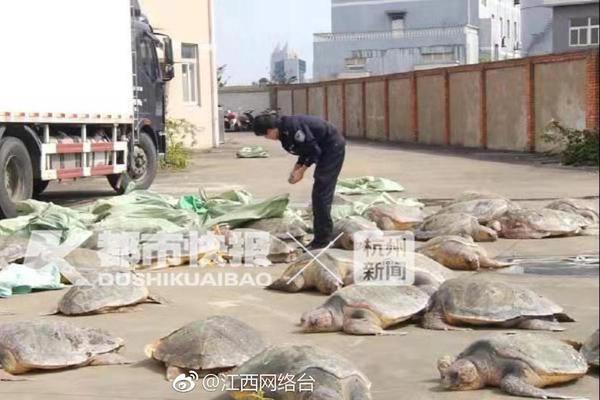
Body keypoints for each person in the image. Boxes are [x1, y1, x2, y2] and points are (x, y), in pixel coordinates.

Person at [253, 113, 346, 250]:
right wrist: (296, 169)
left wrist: (301, 171)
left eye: (266, 135)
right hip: (322, 148)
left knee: (321, 193)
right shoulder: (284, 131)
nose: (267, 138)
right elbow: (304, 150)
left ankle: (322, 240)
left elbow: (314, 151)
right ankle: (322, 236)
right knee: (319, 192)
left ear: (271, 129)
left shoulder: (293, 128)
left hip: (332, 147)